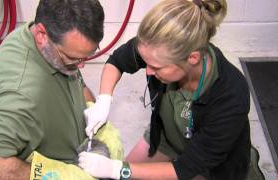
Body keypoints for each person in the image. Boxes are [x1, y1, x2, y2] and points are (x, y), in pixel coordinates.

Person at [79, 0, 264, 179]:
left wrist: (117, 169)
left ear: (193, 58)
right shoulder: (157, 47)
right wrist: (104, 99)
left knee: (124, 173)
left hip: (212, 168)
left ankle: (249, 168)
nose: (149, 71)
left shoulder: (231, 95)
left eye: (157, 67)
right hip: (167, 138)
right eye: (147, 63)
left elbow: (185, 169)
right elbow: (116, 62)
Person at [0, 0, 104, 179]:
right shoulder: (22, 95)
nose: (81, 65)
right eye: (73, 58)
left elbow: (76, 78)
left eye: (87, 56)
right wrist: (57, 175)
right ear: (42, 34)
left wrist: (92, 105)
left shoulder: (42, 38)